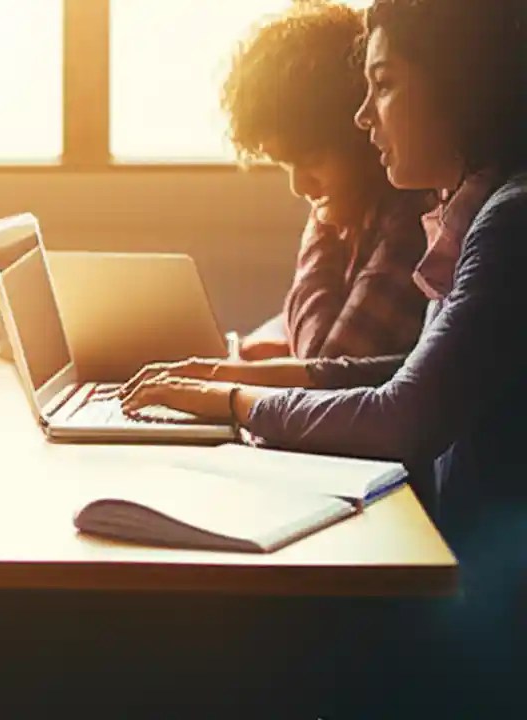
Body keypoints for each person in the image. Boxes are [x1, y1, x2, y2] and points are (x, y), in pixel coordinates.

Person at [120, 0, 527, 712]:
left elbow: (403, 415)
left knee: (212, 646)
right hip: (460, 558)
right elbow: (412, 369)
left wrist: (234, 402)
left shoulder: (510, 221)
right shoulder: (479, 208)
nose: (364, 115)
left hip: (491, 591)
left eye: (385, 83)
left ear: (462, 83)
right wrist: (236, 374)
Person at [224, 0, 429, 365]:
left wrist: (320, 230)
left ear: (361, 135)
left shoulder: (413, 218)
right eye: (286, 164)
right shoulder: (358, 219)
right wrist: (270, 341)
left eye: (312, 161)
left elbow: (325, 367)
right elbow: (299, 331)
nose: (299, 186)